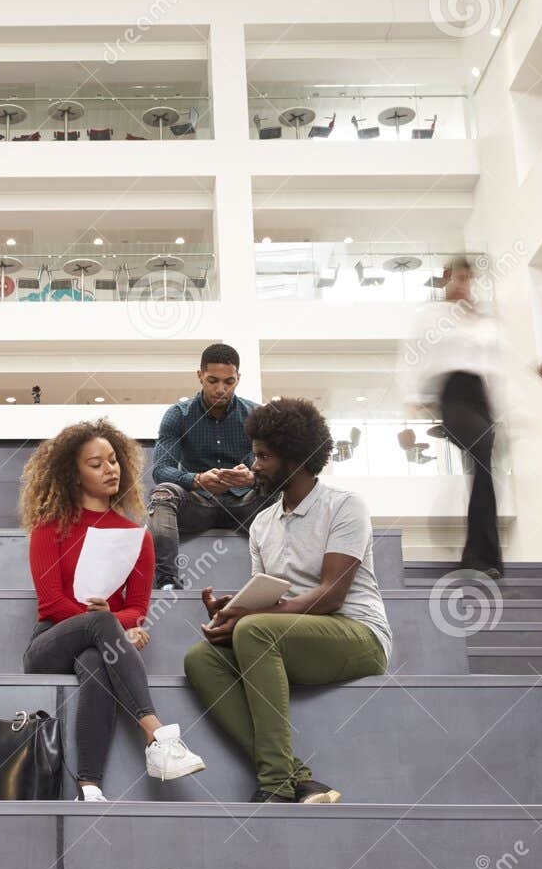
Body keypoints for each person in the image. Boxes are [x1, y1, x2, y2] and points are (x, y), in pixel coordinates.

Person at [184, 398, 391, 804]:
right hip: (290, 637)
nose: (255, 465)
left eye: (264, 456)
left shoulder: (345, 506)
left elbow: (332, 595)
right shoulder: (262, 523)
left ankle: (276, 785)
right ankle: (299, 778)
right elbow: (271, 598)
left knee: (256, 628)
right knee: (201, 659)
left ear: (296, 459)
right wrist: (232, 614)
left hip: (357, 635)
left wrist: (250, 617)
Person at [20, 419, 206, 801]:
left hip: (102, 647)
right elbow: (52, 604)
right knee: (99, 629)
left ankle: (89, 787)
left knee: (94, 660)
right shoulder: (49, 528)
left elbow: (137, 608)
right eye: (96, 463)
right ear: (72, 475)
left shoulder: (137, 537)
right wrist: (106, 623)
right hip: (48, 645)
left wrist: (110, 627)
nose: (111, 469)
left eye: (113, 460)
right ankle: (156, 734)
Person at [399, 256, 504, 577]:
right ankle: (480, 556)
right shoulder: (431, 315)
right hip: (453, 393)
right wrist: (414, 396)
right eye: (458, 278)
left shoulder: (482, 321)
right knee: (483, 457)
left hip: (480, 394)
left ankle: (482, 557)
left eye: (468, 279)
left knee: (484, 468)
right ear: (446, 278)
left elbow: (497, 366)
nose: (463, 285)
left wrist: (507, 409)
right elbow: (412, 355)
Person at [147, 343, 276, 589]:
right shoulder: (178, 415)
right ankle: (167, 581)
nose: (221, 389)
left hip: (244, 506)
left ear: (238, 378)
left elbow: (275, 470)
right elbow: (161, 469)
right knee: (163, 492)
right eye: (213, 380)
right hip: (199, 505)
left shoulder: (256, 415)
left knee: (280, 491)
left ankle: (278, 579)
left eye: (229, 382)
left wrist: (252, 477)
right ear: (200, 376)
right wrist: (196, 480)